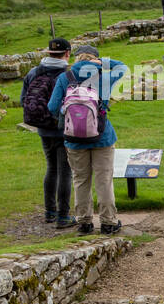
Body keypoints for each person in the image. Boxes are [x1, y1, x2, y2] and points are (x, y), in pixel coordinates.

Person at [48, 46, 128, 235]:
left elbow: (52, 106)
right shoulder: (103, 78)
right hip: (103, 137)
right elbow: (123, 67)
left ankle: (84, 222)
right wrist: (104, 63)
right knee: (104, 180)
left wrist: (67, 118)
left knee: (80, 180)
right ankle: (108, 222)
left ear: (76, 59)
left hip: (74, 140)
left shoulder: (65, 78)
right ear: (95, 59)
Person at [20, 37, 75, 228]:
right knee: (65, 171)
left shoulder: (34, 72)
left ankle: (50, 212)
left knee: (51, 168)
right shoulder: (69, 75)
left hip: (42, 128)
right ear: (67, 53)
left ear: (49, 53)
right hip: (63, 129)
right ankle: (63, 216)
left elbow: (23, 100)